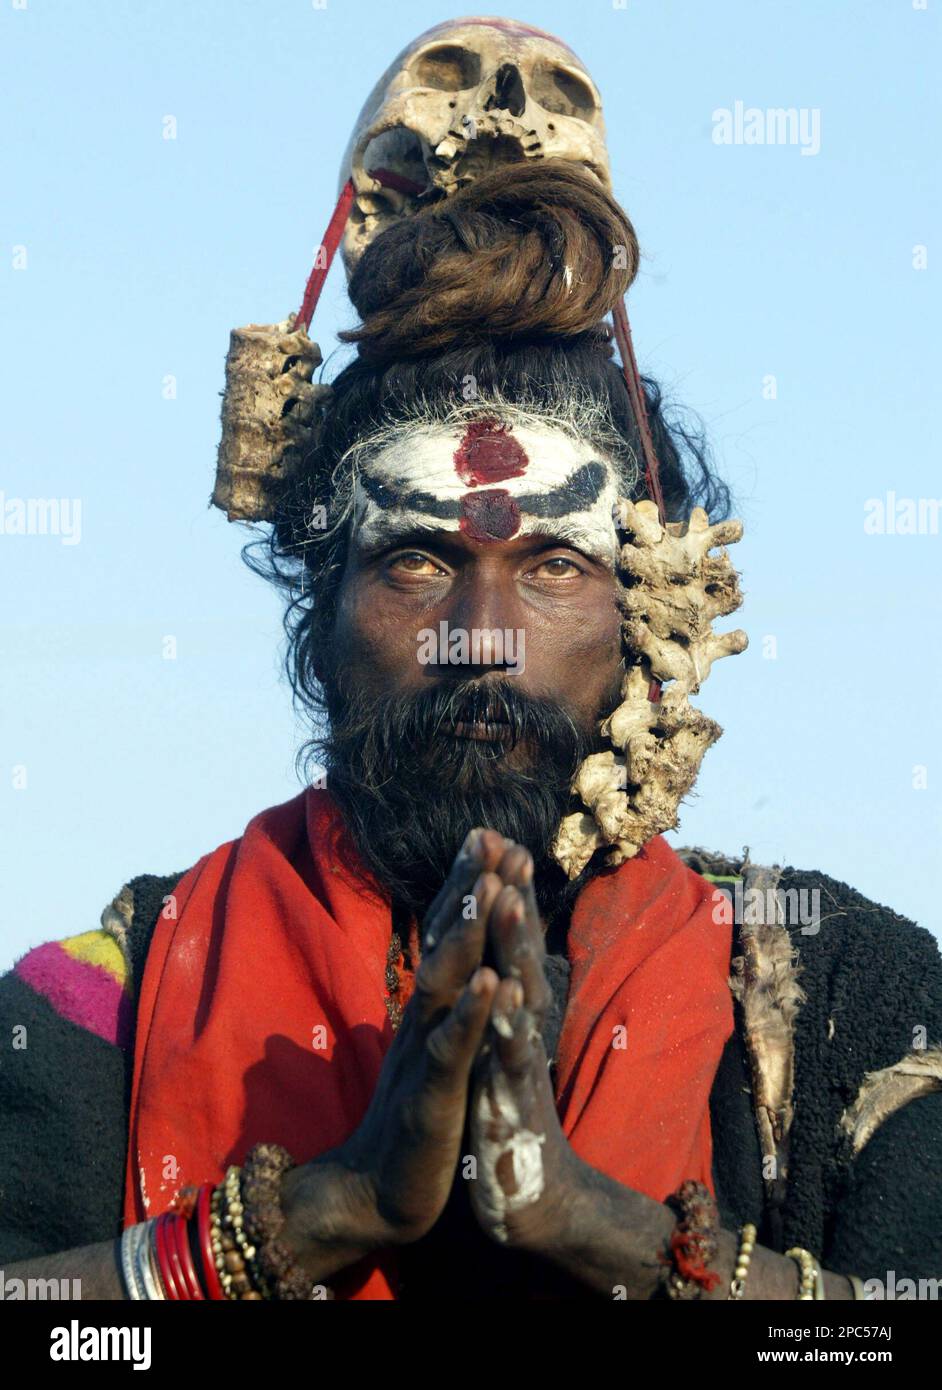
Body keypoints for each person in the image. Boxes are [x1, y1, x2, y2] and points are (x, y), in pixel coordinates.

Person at [1, 164, 940, 1301]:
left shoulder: (839, 1000)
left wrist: (596, 1225)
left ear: (647, 615)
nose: (481, 636)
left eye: (554, 564)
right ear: (323, 612)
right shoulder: (111, 998)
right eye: (416, 558)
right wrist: (323, 1209)